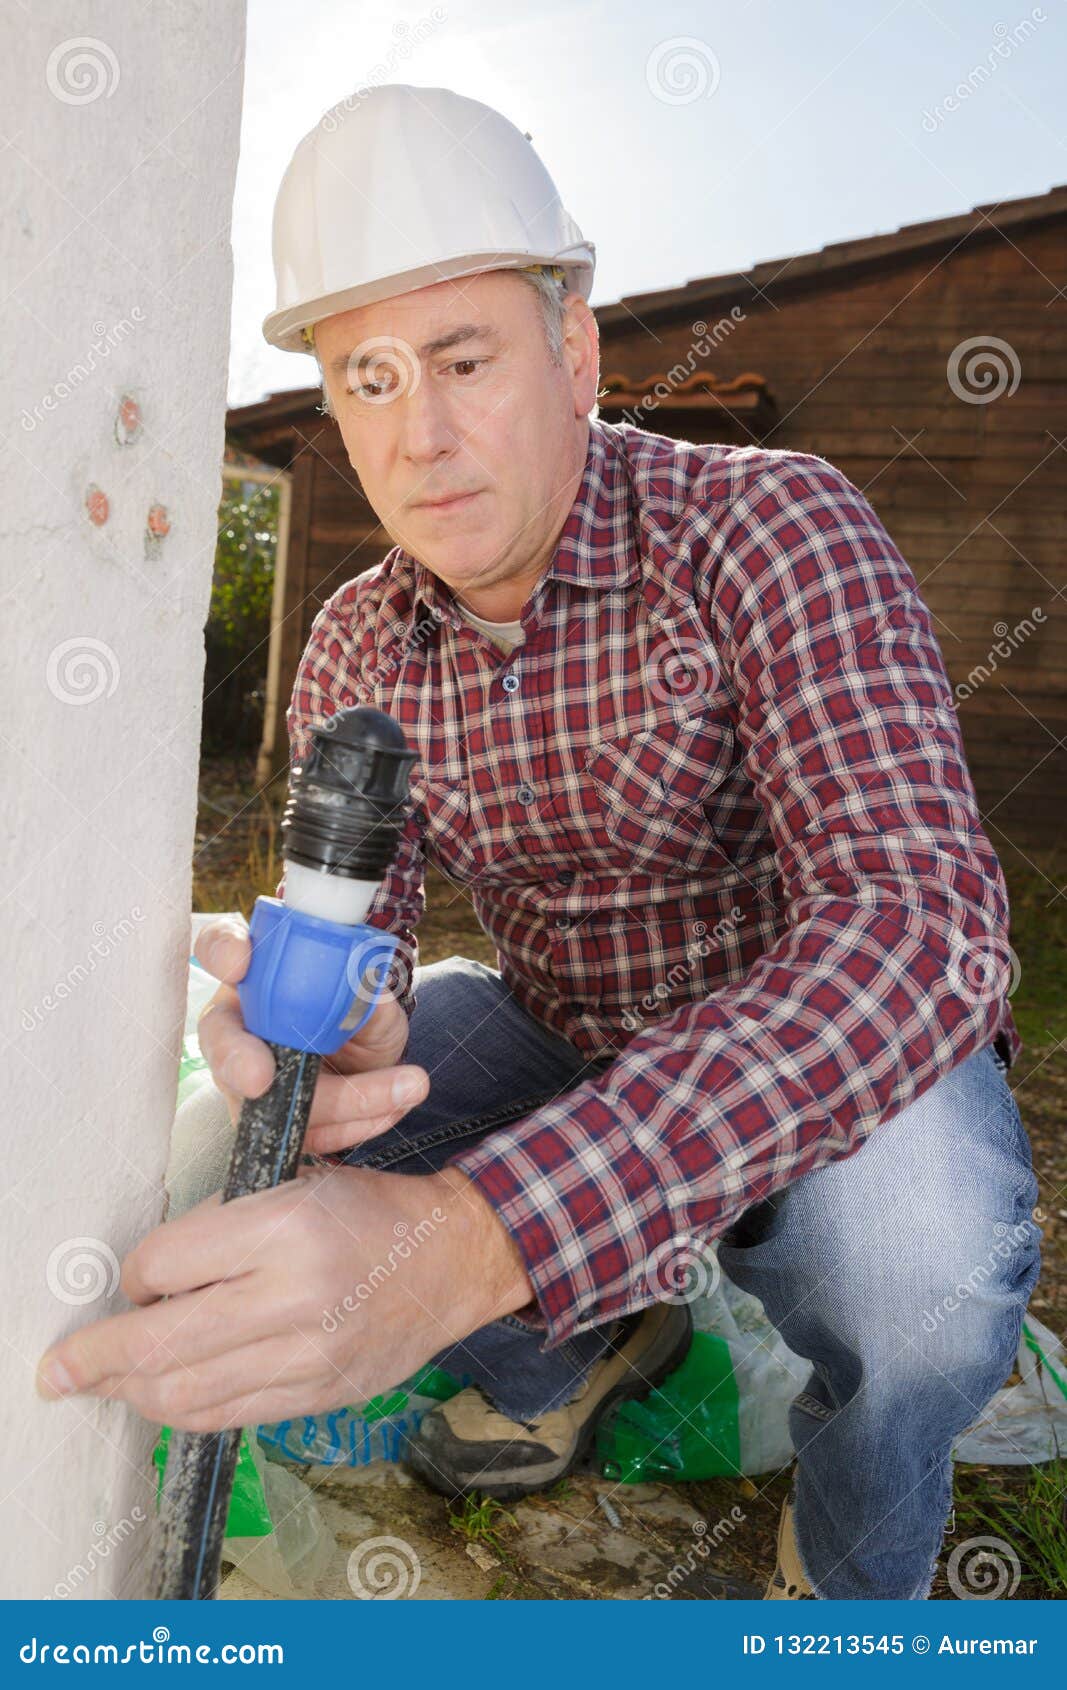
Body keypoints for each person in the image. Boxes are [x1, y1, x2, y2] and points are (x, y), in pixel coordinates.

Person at [37, 85, 1041, 1602]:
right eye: (367, 378)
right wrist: (343, 1023)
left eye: (463, 359)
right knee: (265, 1152)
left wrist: (477, 1234)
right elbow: (378, 928)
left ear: (574, 350)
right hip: (564, 1029)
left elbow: (917, 925)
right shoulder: (361, 644)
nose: (419, 434)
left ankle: (855, 1554)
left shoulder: (767, 528)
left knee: (926, 1274)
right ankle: (589, 1330)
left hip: (833, 1061)